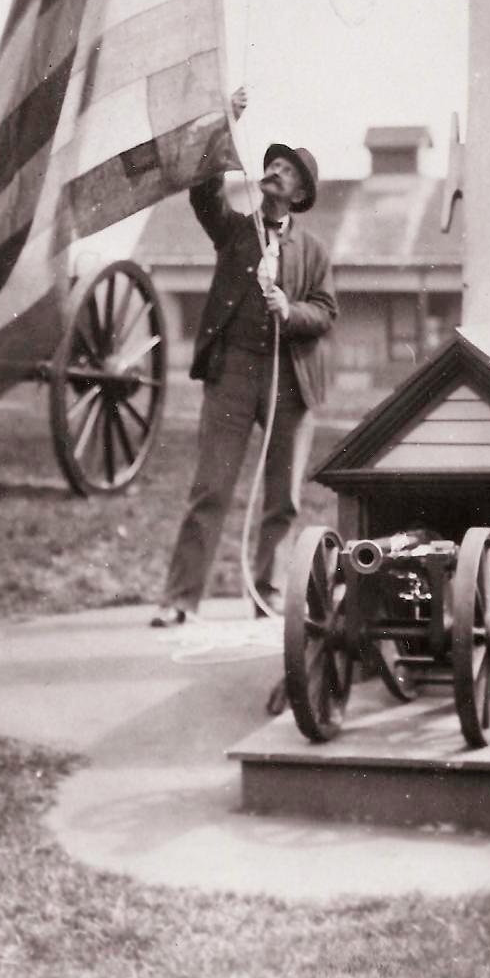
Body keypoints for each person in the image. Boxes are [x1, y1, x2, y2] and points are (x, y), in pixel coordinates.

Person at [151, 88, 338, 627]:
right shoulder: (234, 230)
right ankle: (180, 599)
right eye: (273, 164)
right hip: (232, 371)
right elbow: (203, 193)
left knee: (283, 498)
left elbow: (326, 311)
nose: (275, 171)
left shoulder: (313, 251)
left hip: (290, 380)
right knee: (210, 488)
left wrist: (290, 310)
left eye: (288, 169)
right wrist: (223, 126)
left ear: (300, 193)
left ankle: (268, 593)